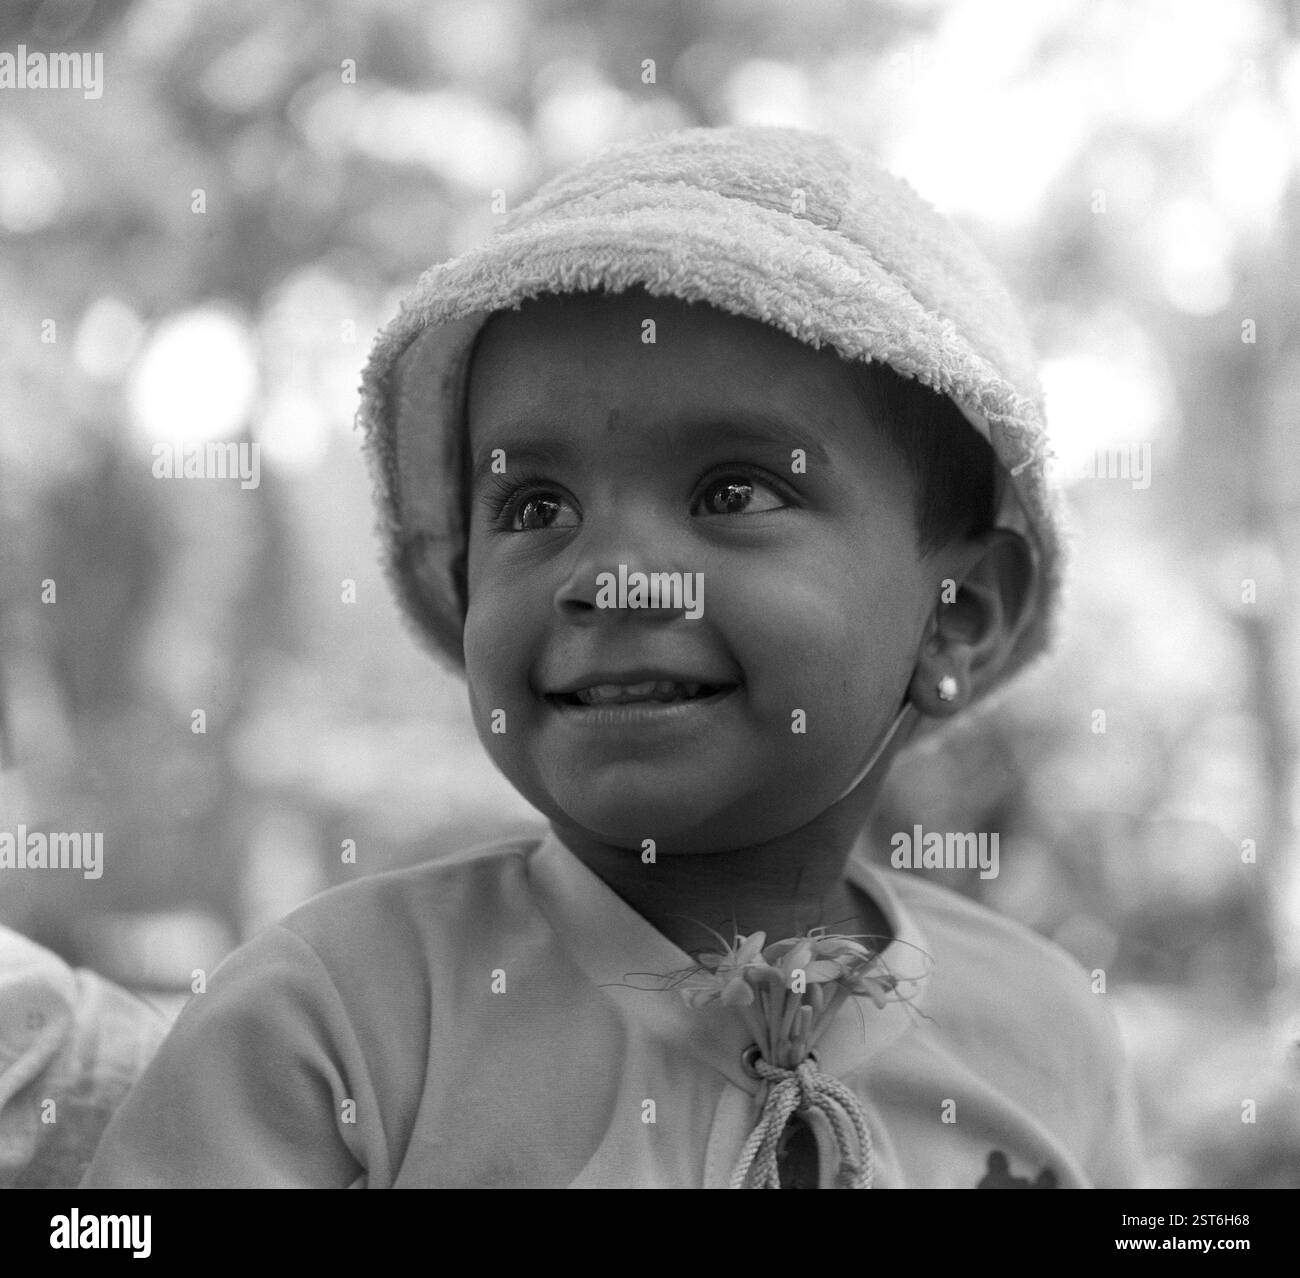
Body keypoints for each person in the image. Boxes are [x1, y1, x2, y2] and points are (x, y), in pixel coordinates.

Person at [83, 125, 1141, 1188]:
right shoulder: (333, 1021)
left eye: (733, 492)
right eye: (534, 505)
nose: (611, 579)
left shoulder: (1046, 1035)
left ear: (958, 613)